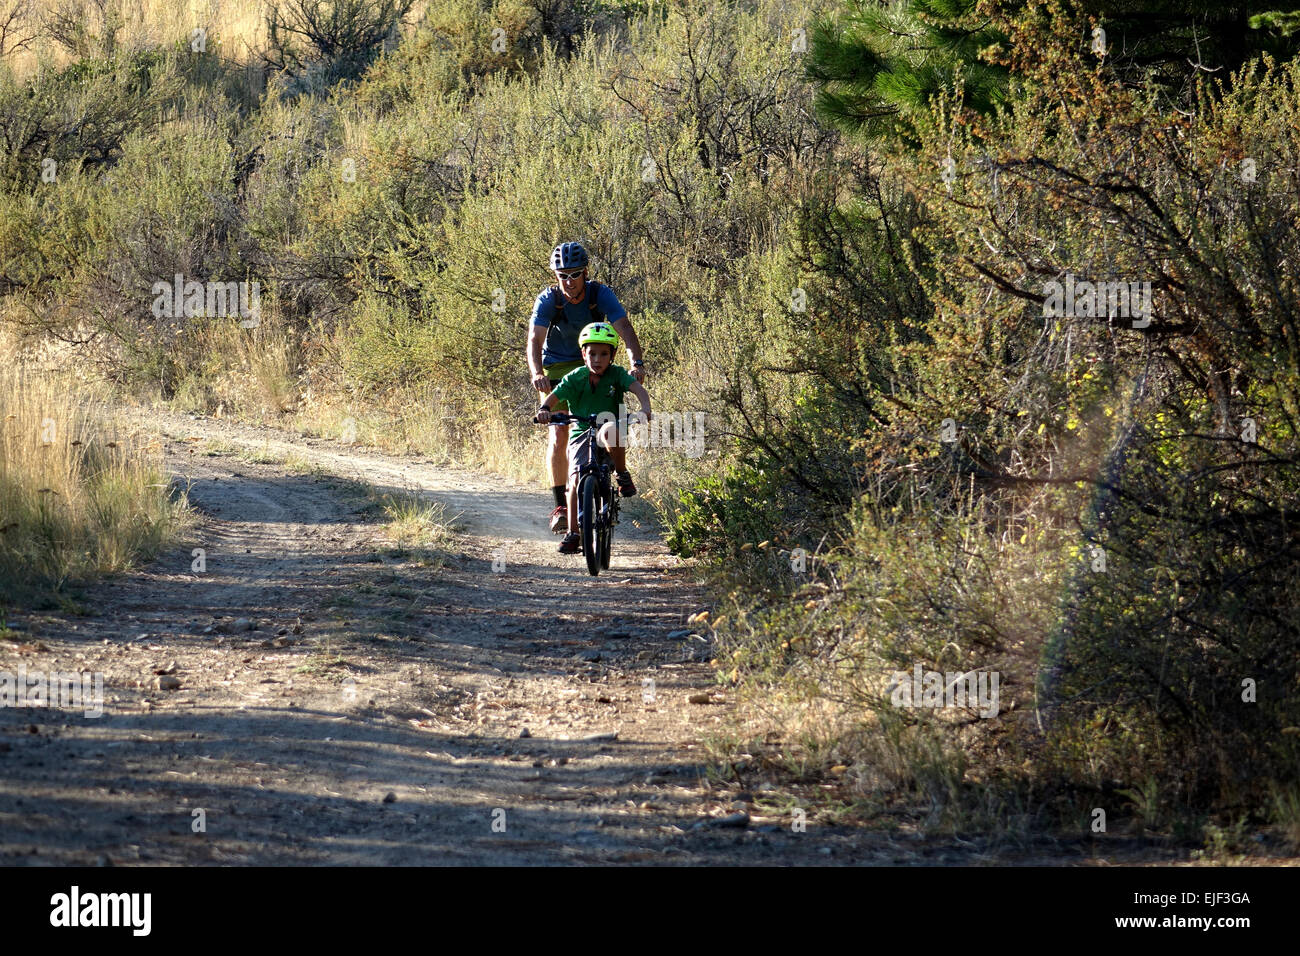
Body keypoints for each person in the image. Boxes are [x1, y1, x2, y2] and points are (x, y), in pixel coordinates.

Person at [528, 242, 645, 534]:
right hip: (557, 368)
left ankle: (610, 475)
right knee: (559, 431)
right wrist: (537, 374)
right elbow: (534, 340)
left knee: (604, 421)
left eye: (575, 274)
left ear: (585, 273)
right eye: (562, 275)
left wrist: (637, 363)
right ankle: (561, 506)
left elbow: (624, 328)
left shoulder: (599, 294)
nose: (568, 281)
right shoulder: (548, 299)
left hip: (595, 361)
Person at [537, 322, 652, 555]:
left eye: (603, 354)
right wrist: (544, 409)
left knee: (609, 428)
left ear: (612, 355)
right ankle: (574, 532)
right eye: (592, 353)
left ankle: (622, 474)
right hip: (581, 432)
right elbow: (554, 396)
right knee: (574, 481)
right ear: (583, 354)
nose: (597, 359)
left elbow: (637, 389)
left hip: (610, 431)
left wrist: (645, 408)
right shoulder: (575, 377)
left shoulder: (617, 374)